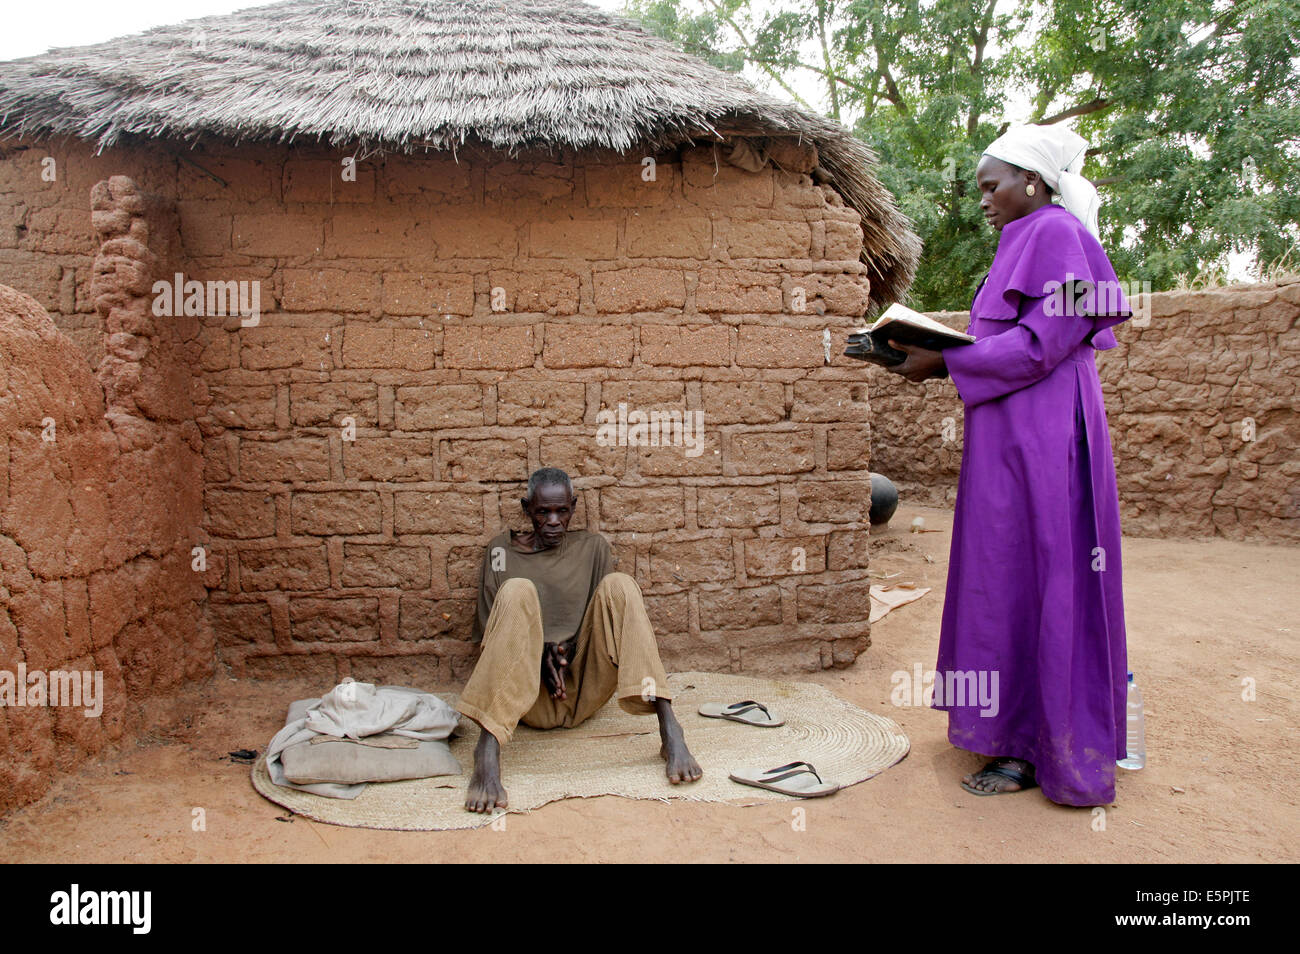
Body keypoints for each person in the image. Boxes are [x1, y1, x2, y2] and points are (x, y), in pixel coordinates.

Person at [886, 124, 1131, 806]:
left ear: (1032, 180)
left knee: (1043, 572)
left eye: (992, 185)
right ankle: (1007, 727)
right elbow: (1013, 343)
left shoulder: (1058, 232)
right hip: (1009, 429)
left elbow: (1040, 347)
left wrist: (945, 361)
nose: (984, 200)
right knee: (1002, 573)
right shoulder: (1019, 240)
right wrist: (934, 356)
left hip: (1046, 431)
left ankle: (1035, 749)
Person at [456, 466, 702, 812]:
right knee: (517, 589)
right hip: (525, 699)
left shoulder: (592, 548)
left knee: (621, 585)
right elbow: (490, 638)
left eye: (562, 510)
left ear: (573, 506)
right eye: (543, 512)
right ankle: (487, 747)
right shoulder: (500, 552)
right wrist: (539, 656)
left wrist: (565, 653)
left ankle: (669, 727)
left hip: (582, 686)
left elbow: (601, 624)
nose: (554, 520)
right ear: (527, 509)